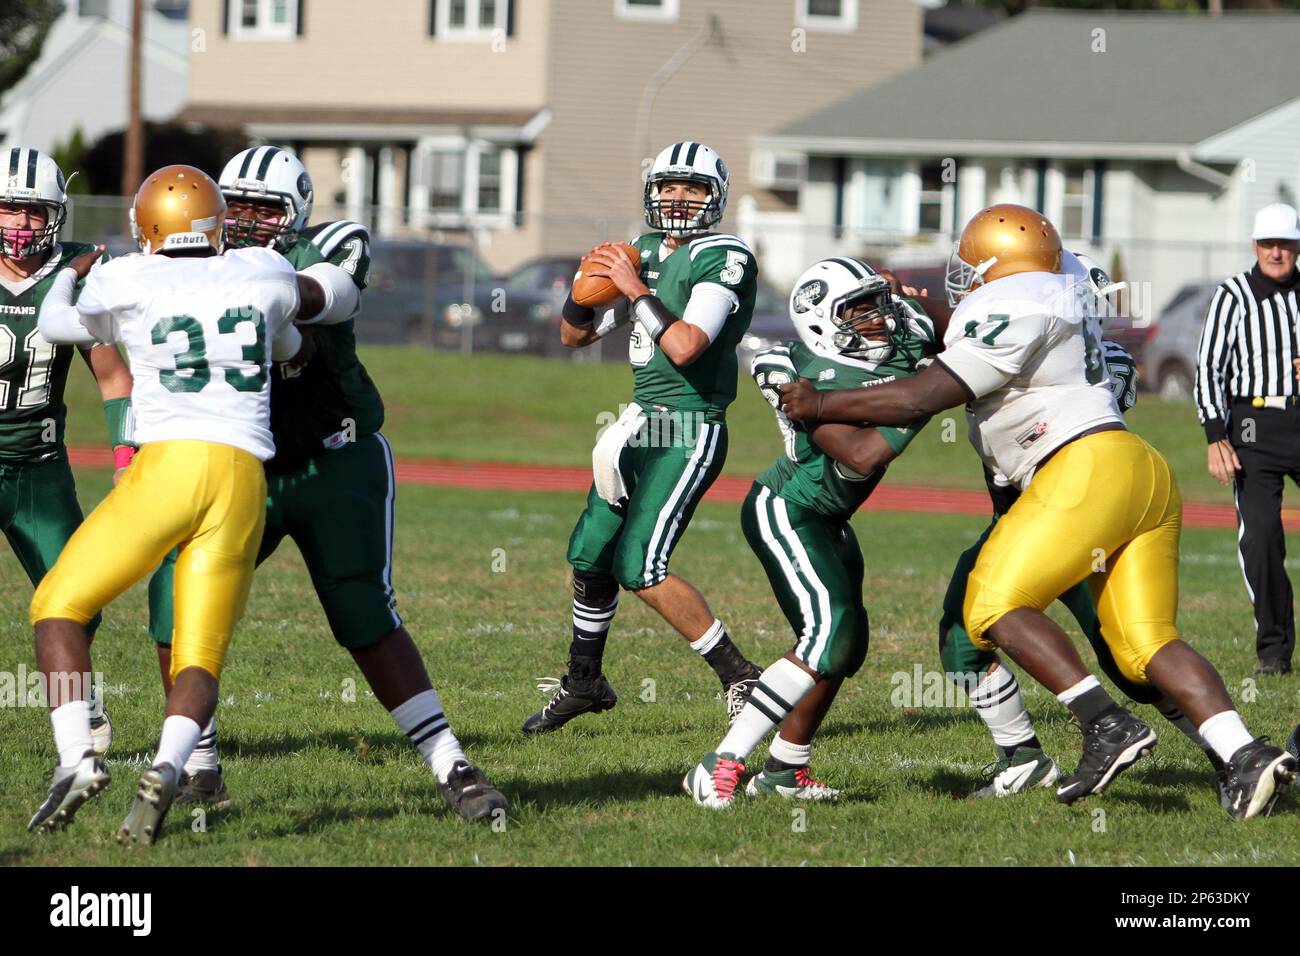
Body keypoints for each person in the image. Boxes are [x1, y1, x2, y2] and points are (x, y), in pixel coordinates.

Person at [778, 203, 1298, 820]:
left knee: (989, 605)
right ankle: (1245, 756)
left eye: (973, 266)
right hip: (1140, 470)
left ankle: (1105, 725)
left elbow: (925, 393)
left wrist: (819, 403)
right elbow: (974, 345)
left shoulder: (1011, 304)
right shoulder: (1062, 285)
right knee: (1145, 645)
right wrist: (916, 312)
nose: (963, 277)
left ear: (997, 266)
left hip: (1079, 471)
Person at [143, 146, 508, 821]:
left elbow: (317, 305)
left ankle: (451, 764)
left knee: (362, 613)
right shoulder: (192, 259)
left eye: (264, 209)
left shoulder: (333, 242)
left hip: (333, 458)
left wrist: (242, 291)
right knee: (177, 599)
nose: (247, 222)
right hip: (239, 465)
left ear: (297, 213)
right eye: (237, 207)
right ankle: (200, 768)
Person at [27, 164, 313, 843]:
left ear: (145, 225)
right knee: (199, 653)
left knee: (58, 605)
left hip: (169, 465)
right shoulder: (263, 272)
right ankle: (168, 765)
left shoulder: (126, 275)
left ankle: (76, 760)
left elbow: (56, 322)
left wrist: (72, 272)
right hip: (242, 476)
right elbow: (293, 345)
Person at [523, 141, 763, 734]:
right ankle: (584, 681)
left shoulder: (725, 254)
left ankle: (742, 678)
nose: (678, 200)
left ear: (717, 198)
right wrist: (582, 293)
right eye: (669, 187)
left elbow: (685, 345)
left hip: (689, 423)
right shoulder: (645, 248)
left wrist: (632, 287)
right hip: (637, 421)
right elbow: (573, 338)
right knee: (589, 553)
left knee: (641, 565)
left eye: (694, 190)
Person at [684, 257, 935, 807]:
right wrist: (922, 399)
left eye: (877, 302)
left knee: (845, 646)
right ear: (822, 320)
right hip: (787, 508)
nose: (877, 318)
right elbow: (860, 455)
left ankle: (784, 769)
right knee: (828, 632)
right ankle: (721, 761)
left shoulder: (905, 335)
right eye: (858, 309)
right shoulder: (795, 371)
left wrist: (918, 302)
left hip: (832, 519)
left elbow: (948, 327)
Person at [0, 147, 135, 755]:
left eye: (33, 214)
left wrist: (128, 458)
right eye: (8, 211)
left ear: (55, 215)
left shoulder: (75, 274)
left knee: (77, 599)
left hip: (37, 467)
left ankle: (82, 703)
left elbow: (114, 378)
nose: (20, 226)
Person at [1195, 202, 1300, 676]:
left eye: (1286, 244)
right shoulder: (1233, 295)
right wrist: (1216, 436)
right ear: (1254, 245)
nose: (1277, 252)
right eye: (1268, 244)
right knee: (1260, 537)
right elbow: (1209, 369)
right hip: (1253, 428)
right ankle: (1274, 651)